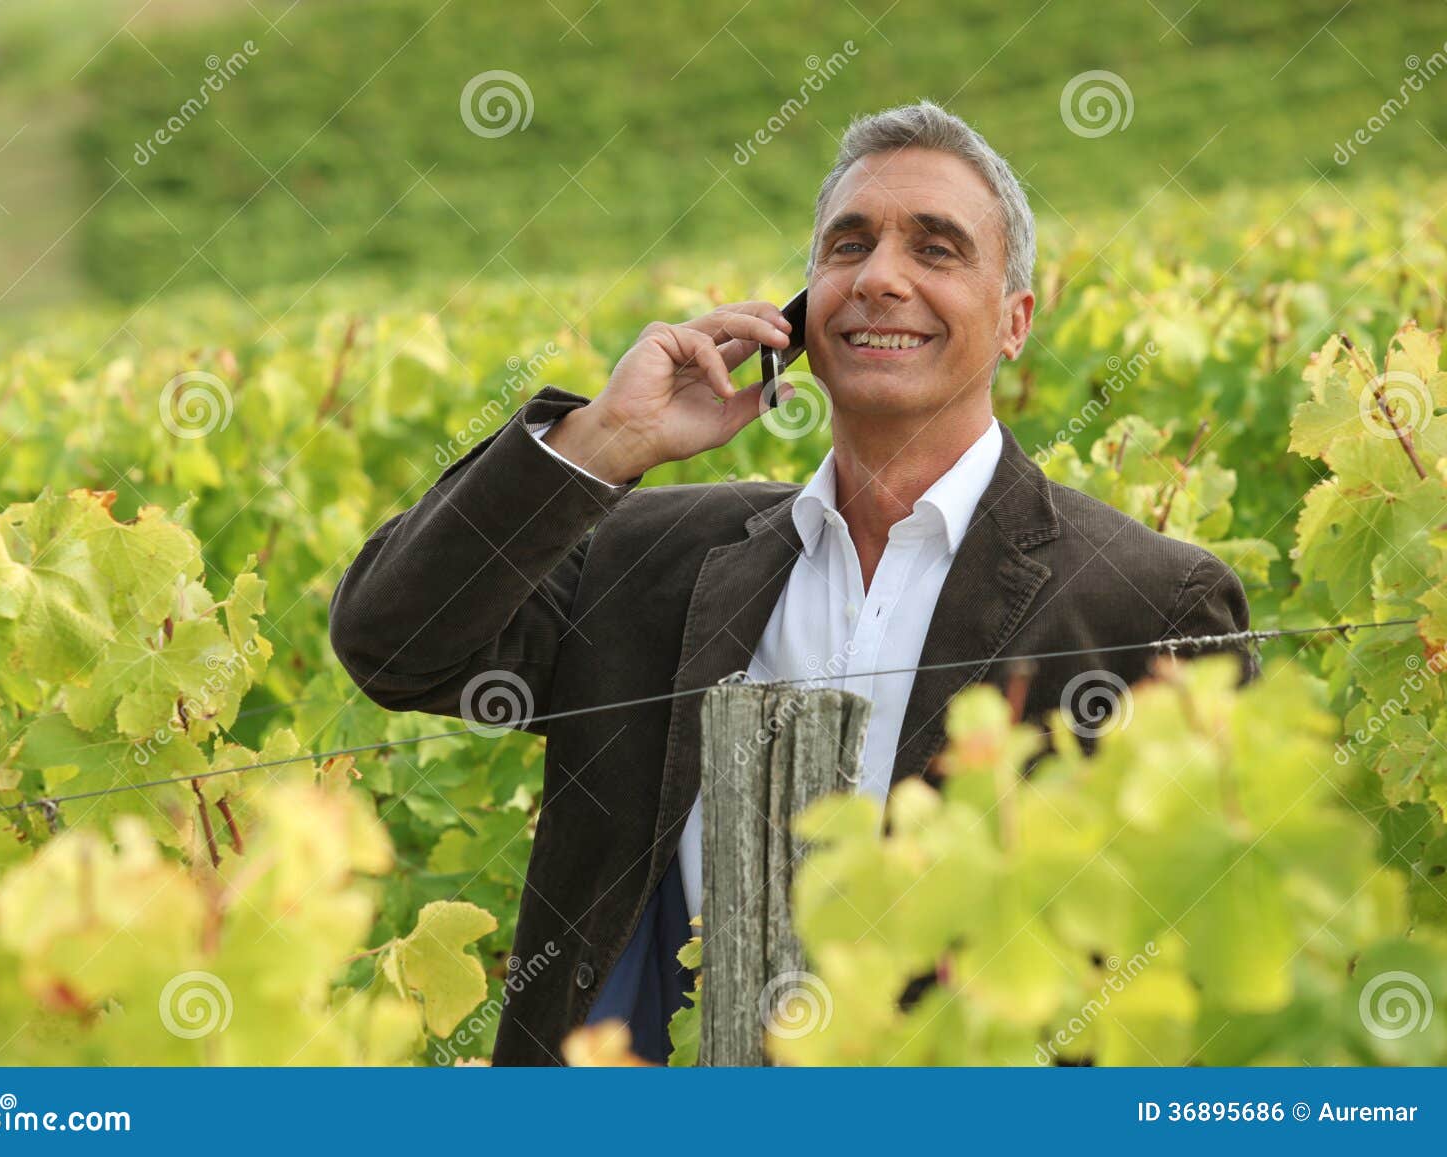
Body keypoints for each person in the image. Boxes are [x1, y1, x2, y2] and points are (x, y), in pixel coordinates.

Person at [328, 100, 1255, 1065]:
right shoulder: (644, 556)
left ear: (1016, 320)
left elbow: (1190, 984)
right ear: (800, 313)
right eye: (847, 246)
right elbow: (394, 645)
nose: (880, 277)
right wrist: (602, 441)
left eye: (936, 250)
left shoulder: (1149, 605)